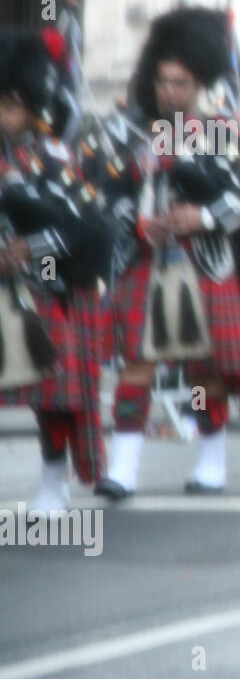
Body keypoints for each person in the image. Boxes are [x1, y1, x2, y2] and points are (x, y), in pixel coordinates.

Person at [99, 7, 240, 496]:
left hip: (207, 261)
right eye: (162, 80)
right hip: (147, 260)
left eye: (180, 82)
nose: (168, 91)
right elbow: (109, 199)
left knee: (204, 372)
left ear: (199, 83)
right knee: (137, 365)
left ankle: (211, 459)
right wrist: (137, 222)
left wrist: (205, 217)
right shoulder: (131, 133)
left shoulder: (223, 133)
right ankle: (123, 468)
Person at [0, 28, 113, 511]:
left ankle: (53, 483)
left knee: (52, 399)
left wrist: (30, 248)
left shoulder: (52, 158)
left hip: (43, 286)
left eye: (11, 105)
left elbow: (91, 225)